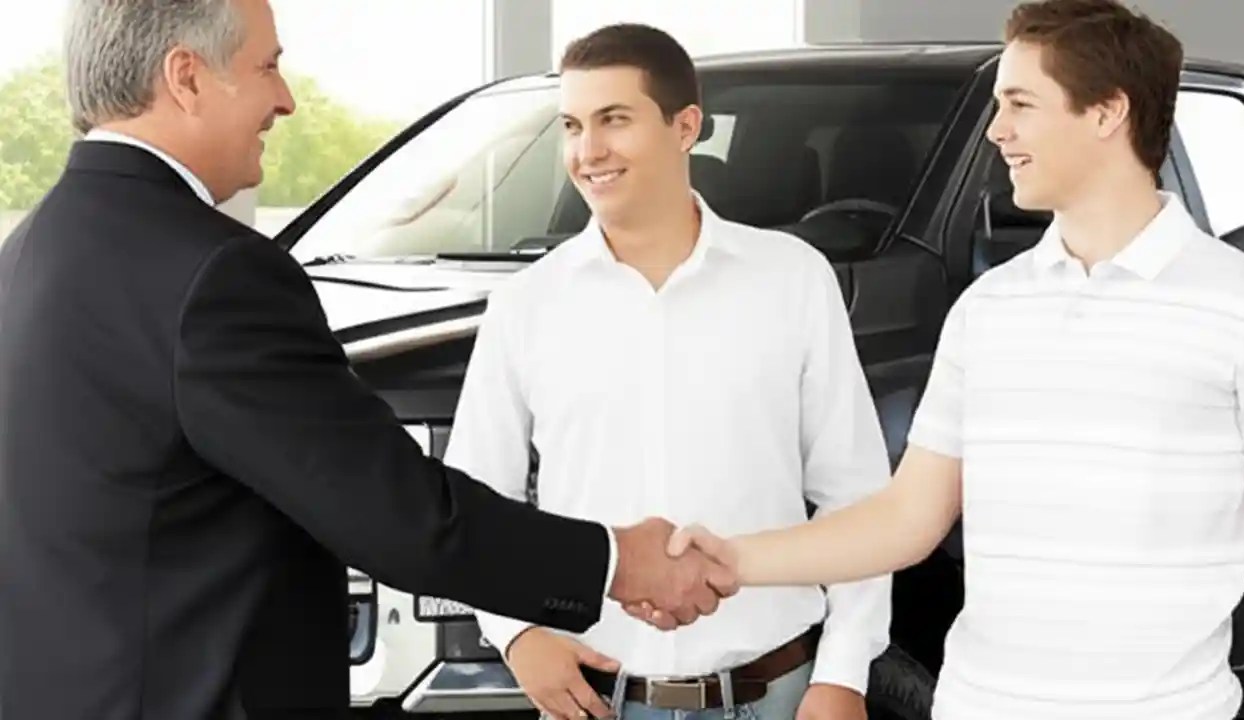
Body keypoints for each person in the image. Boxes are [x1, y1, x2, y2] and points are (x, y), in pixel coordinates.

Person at [0, 2, 735, 719]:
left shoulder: (27, 254)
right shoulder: (215, 276)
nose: (284, 100)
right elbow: (404, 518)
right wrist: (617, 562)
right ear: (187, 77)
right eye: (267, 67)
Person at [666, 1, 1244, 718]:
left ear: (1108, 112)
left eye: (1020, 103)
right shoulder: (988, 310)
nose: (999, 131)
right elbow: (907, 518)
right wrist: (736, 560)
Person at [443, 23, 893, 720]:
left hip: (778, 695)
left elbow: (857, 496)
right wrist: (517, 635)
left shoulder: (792, 280)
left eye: (614, 120)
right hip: (595, 702)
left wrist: (844, 676)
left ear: (686, 127)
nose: (587, 151)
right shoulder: (526, 303)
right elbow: (476, 501)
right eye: (571, 125)